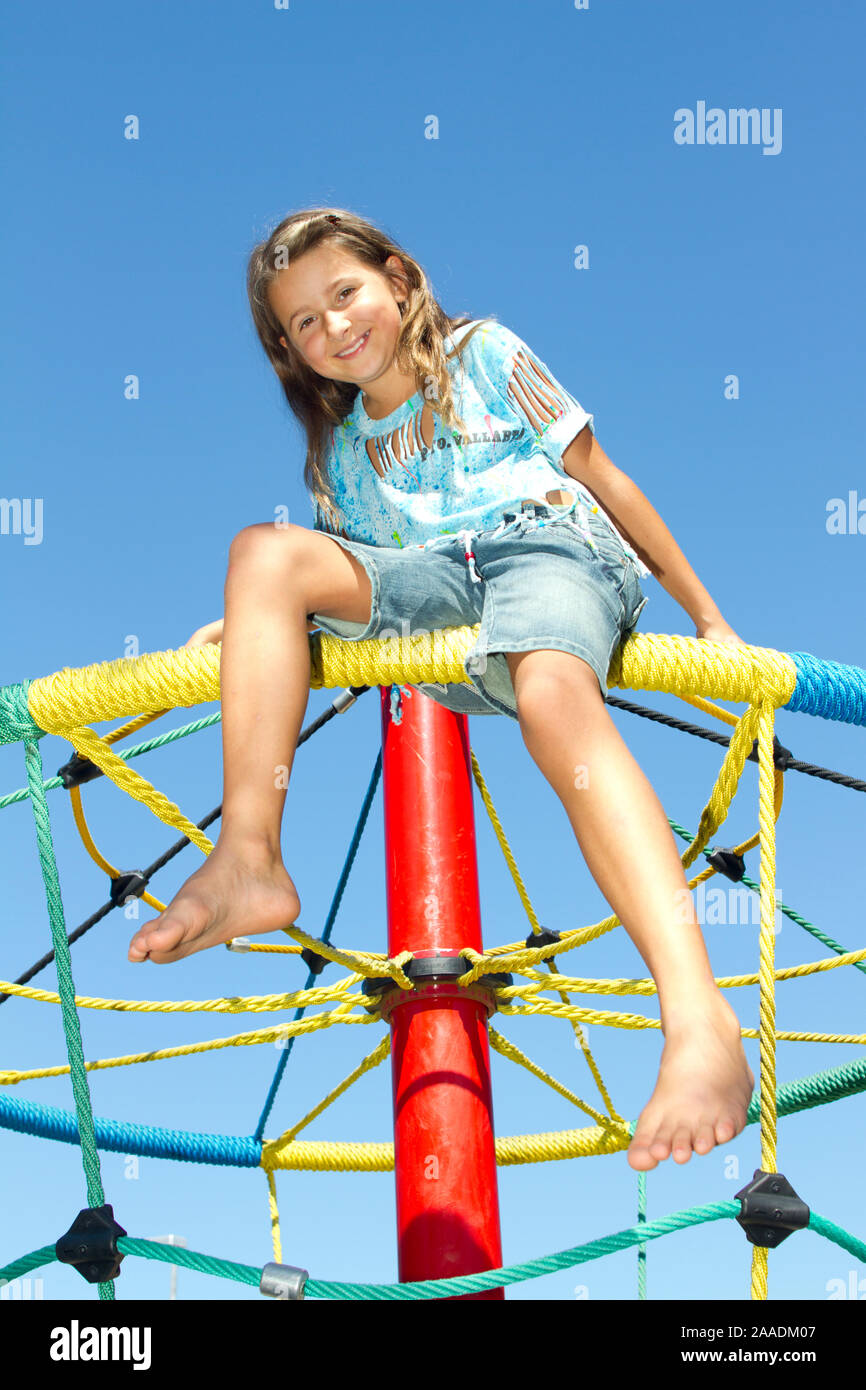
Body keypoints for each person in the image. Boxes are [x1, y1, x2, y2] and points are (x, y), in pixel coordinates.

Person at [127, 206, 754, 1172]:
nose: (334, 326)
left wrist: (709, 616)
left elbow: (606, 479)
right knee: (262, 553)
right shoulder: (339, 456)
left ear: (399, 280)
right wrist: (259, 612)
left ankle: (699, 1017)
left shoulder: (483, 354)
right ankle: (251, 858)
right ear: (291, 351)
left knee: (553, 696)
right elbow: (361, 572)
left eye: (345, 294)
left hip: (548, 545)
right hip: (436, 585)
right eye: (304, 322)